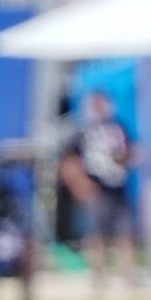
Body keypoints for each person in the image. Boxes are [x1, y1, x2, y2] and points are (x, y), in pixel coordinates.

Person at [59, 90, 135, 288]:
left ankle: (127, 273)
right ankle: (99, 275)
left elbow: (130, 151)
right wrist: (81, 184)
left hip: (117, 186)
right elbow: (68, 161)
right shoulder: (83, 131)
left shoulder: (118, 128)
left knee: (124, 232)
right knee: (96, 233)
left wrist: (126, 158)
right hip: (96, 188)